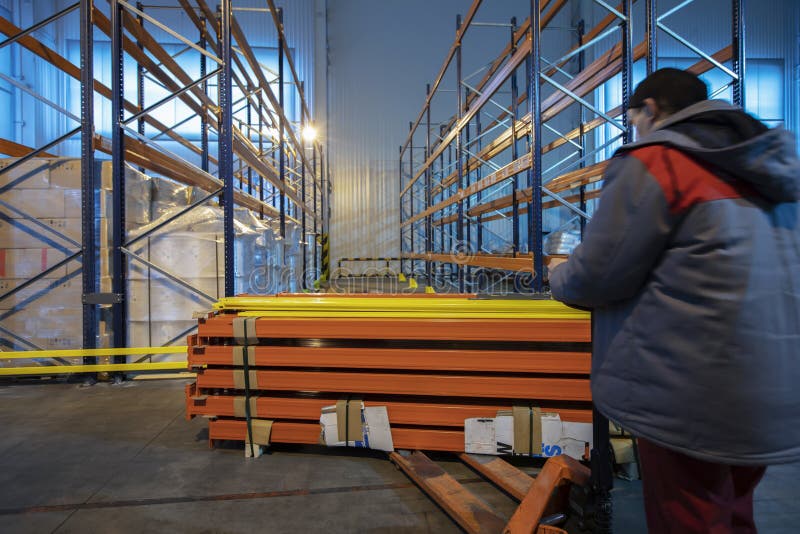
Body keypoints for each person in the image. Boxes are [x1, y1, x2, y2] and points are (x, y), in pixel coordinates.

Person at [547, 68, 800, 533]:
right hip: (774, 388)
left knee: (689, 517)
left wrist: (557, 273)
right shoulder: (772, 167)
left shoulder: (659, 162)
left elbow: (598, 275)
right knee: (734, 510)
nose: (635, 131)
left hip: (691, 390)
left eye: (635, 120)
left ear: (651, 109)